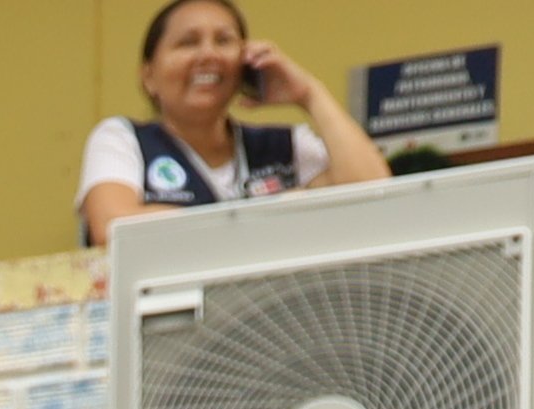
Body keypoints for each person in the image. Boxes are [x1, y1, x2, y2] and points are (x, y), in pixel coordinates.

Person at [80, 6, 390, 241]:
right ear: (148, 76)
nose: (208, 54)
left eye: (224, 41)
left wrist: (310, 94)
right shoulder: (123, 138)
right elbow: (114, 228)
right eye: (188, 42)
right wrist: (272, 213)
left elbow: (377, 195)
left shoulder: (286, 143)